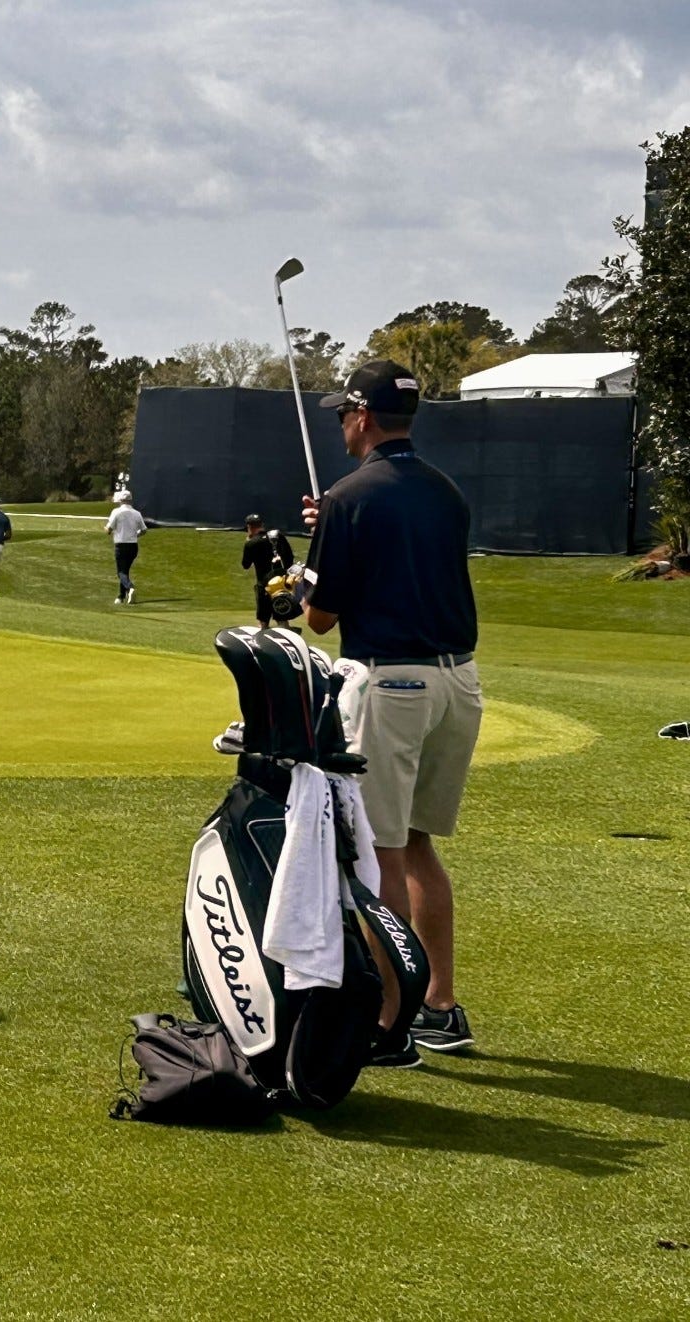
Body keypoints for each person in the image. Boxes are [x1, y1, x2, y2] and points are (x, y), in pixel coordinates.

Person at [300, 359, 481, 1065]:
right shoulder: (445, 491)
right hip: (458, 683)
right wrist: (334, 524)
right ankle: (440, 1005)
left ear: (364, 417)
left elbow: (318, 618)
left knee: (381, 855)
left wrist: (325, 537)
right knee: (418, 847)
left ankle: (390, 1022)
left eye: (344, 412)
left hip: (392, 685)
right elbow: (397, 547)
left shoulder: (350, 496)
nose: (340, 423)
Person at [241, 514, 297, 626]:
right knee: (282, 619)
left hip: (264, 586)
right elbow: (289, 557)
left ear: (249, 527)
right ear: (262, 525)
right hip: (281, 584)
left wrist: (248, 542)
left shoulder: (251, 543)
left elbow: (245, 565)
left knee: (263, 622)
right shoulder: (278, 536)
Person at [105, 490, 147, 604]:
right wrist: (135, 535)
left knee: (121, 573)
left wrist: (106, 529)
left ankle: (130, 587)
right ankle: (121, 596)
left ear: (121, 500)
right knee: (125, 570)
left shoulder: (116, 512)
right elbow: (144, 530)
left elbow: (109, 529)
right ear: (130, 500)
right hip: (133, 546)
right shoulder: (137, 513)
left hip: (121, 545)